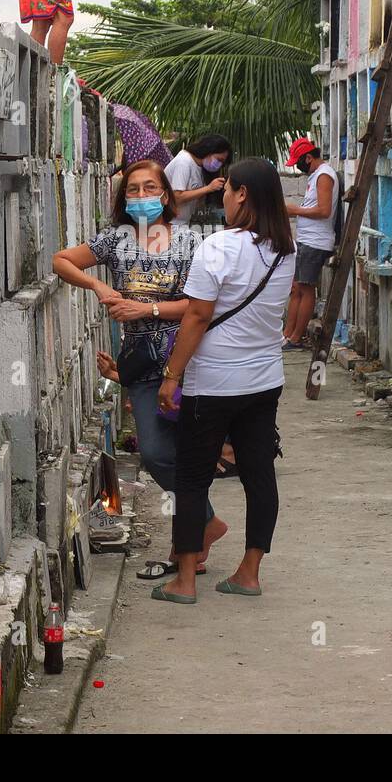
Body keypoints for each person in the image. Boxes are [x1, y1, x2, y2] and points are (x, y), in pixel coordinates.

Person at [52, 161, 229, 579]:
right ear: (124, 198)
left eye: (150, 187)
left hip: (185, 358)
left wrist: (144, 307)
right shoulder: (116, 240)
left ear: (166, 195)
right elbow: (61, 260)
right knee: (154, 451)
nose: (142, 195)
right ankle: (203, 522)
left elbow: (199, 306)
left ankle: (188, 543)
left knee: (183, 451)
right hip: (142, 361)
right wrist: (98, 285)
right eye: (133, 189)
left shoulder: (190, 242)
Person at [153, 158, 297, 604]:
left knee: (192, 477)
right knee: (259, 474)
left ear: (243, 196)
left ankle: (185, 581)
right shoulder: (286, 249)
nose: (223, 197)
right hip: (264, 379)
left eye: (227, 190)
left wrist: (171, 376)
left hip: (213, 382)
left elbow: (197, 315)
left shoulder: (217, 247)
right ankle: (249, 572)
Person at [282, 138, 339, 350]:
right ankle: (287, 334)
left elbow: (324, 211)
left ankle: (296, 337)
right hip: (307, 240)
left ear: (309, 157)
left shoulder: (324, 175)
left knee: (306, 289)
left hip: (316, 241)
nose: (298, 167)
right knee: (296, 288)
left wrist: (294, 210)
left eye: (299, 162)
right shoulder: (315, 175)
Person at [164, 134, 232, 227]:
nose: (219, 165)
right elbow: (176, 197)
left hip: (181, 223)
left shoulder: (200, 167)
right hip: (169, 223)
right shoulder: (183, 162)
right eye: (219, 159)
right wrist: (208, 188)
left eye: (222, 163)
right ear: (209, 150)